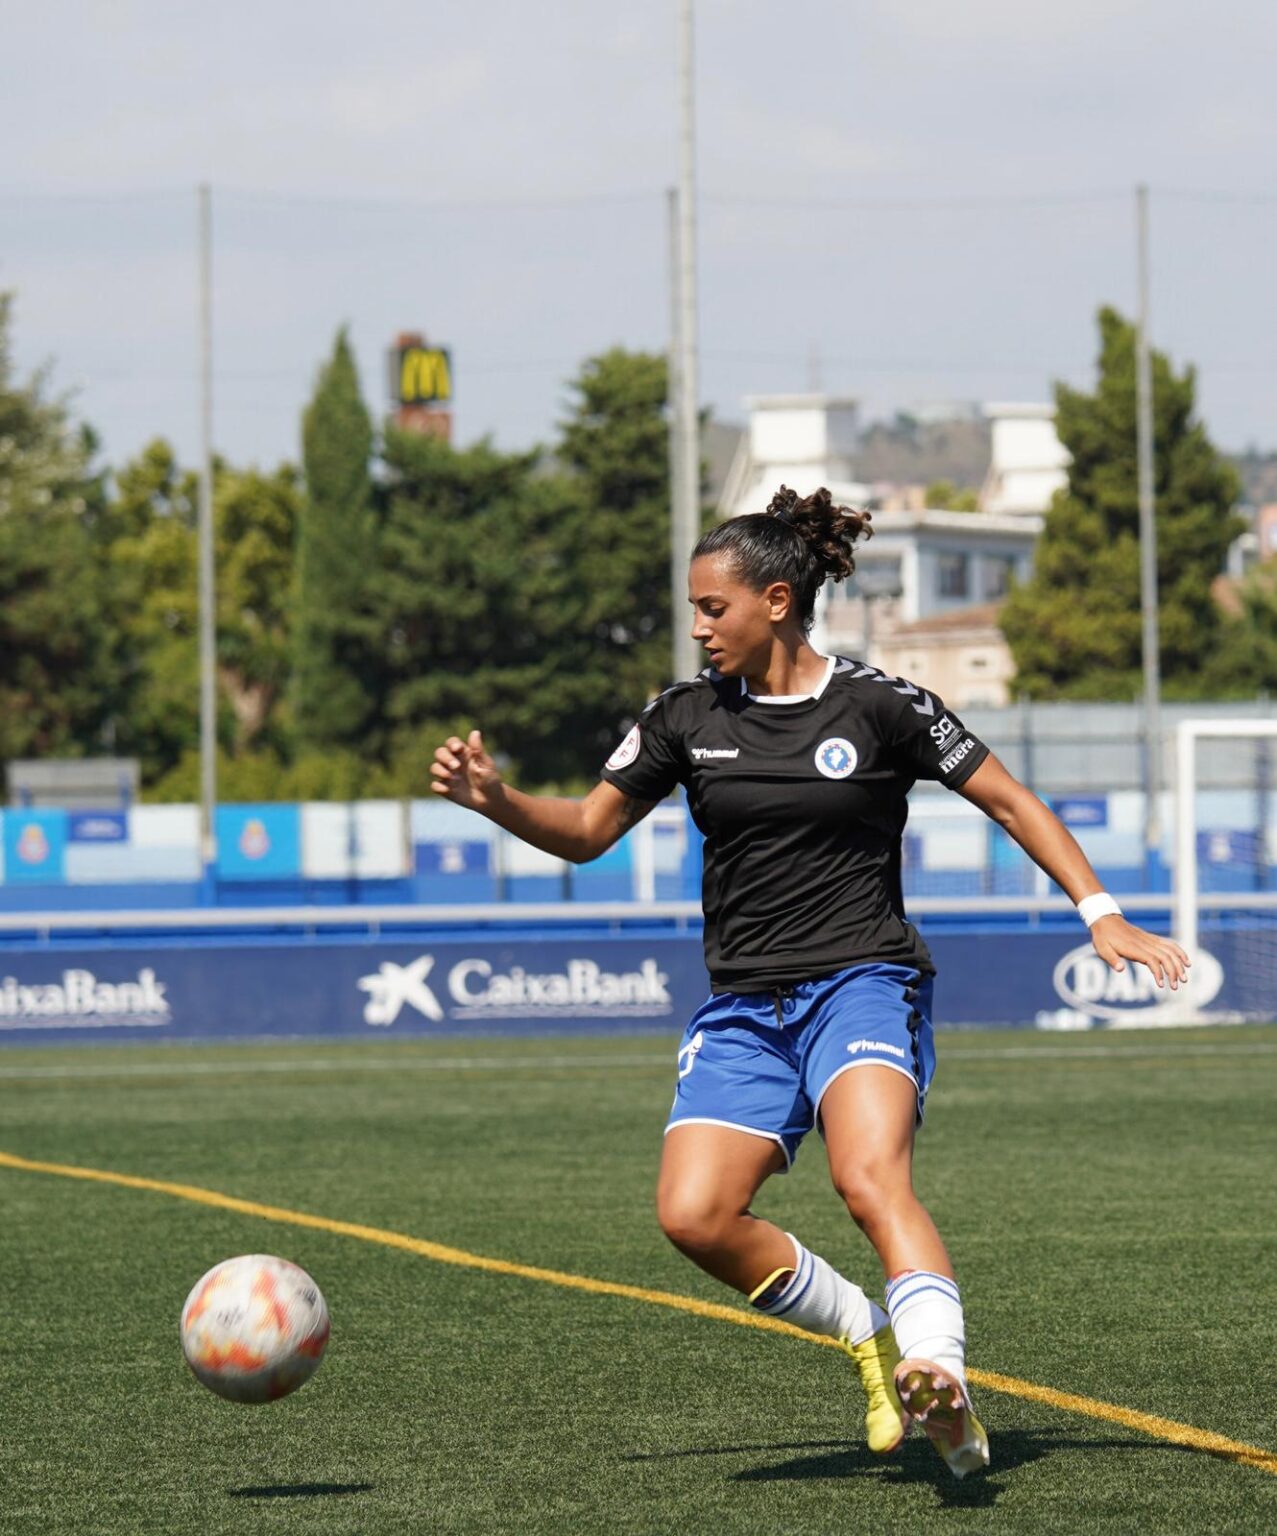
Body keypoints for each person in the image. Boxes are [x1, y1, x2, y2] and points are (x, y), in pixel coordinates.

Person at [430, 485, 1189, 1479]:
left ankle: (938, 1374)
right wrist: (495, 801)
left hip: (861, 984)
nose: (698, 628)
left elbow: (1008, 801)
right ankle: (869, 1338)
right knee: (692, 1216)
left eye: (713, 608)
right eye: (694, 610)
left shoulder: (880, 706)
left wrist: (1101, 912)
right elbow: (583, 832)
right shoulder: (680, 717)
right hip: (745, 1008)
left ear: (776, 601)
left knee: (867, 1177)